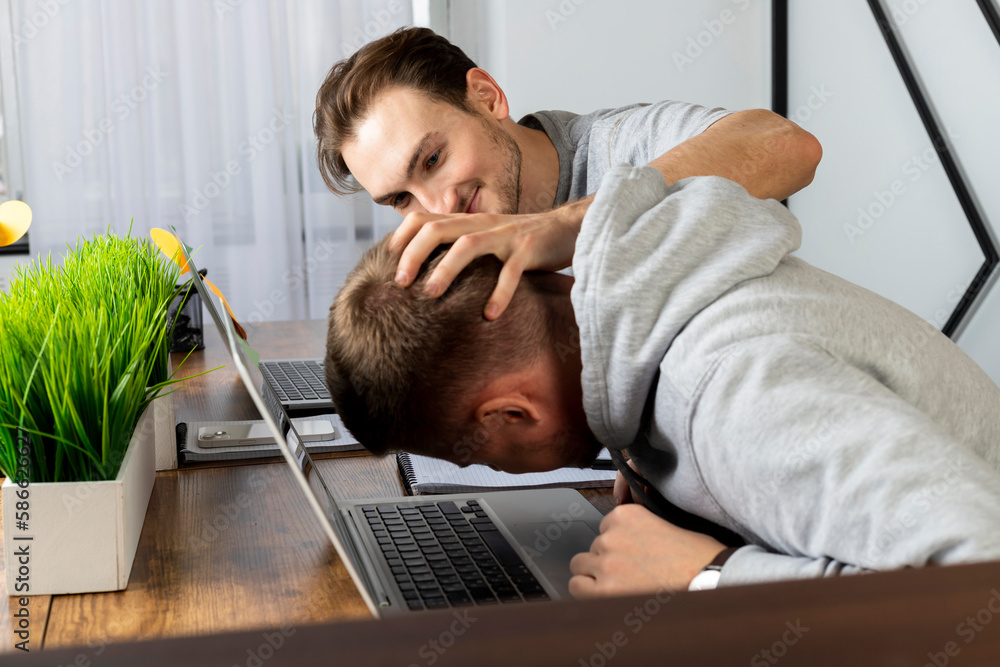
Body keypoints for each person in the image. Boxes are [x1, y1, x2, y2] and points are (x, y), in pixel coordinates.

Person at [325, 164, 1000, 598]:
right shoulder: (635, 297)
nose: (493, 471)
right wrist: (659, 482)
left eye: (474, 455)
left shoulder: (735, 394)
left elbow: (979, 580)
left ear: (510, 413)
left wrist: (704, 576)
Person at [313, 27, 822, 321]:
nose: (438, 209)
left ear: (487, 98)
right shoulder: (449, 245)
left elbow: (788, 146)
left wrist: (570, 226)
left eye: (432, 160)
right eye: (401, 198)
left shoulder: (621, 145)